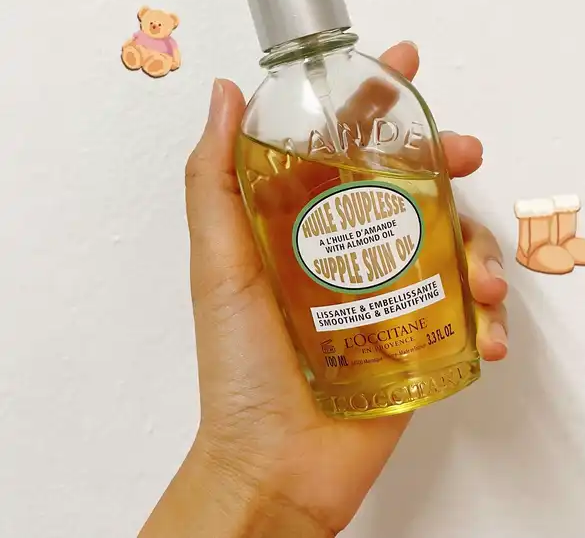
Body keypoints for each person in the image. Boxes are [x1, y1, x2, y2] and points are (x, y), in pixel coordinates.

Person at [139, 42, 508, 538]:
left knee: (429, 222)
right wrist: (246, 470)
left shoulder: (363, 95)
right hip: (329, 382)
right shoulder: (264, 117)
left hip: (423, 353)